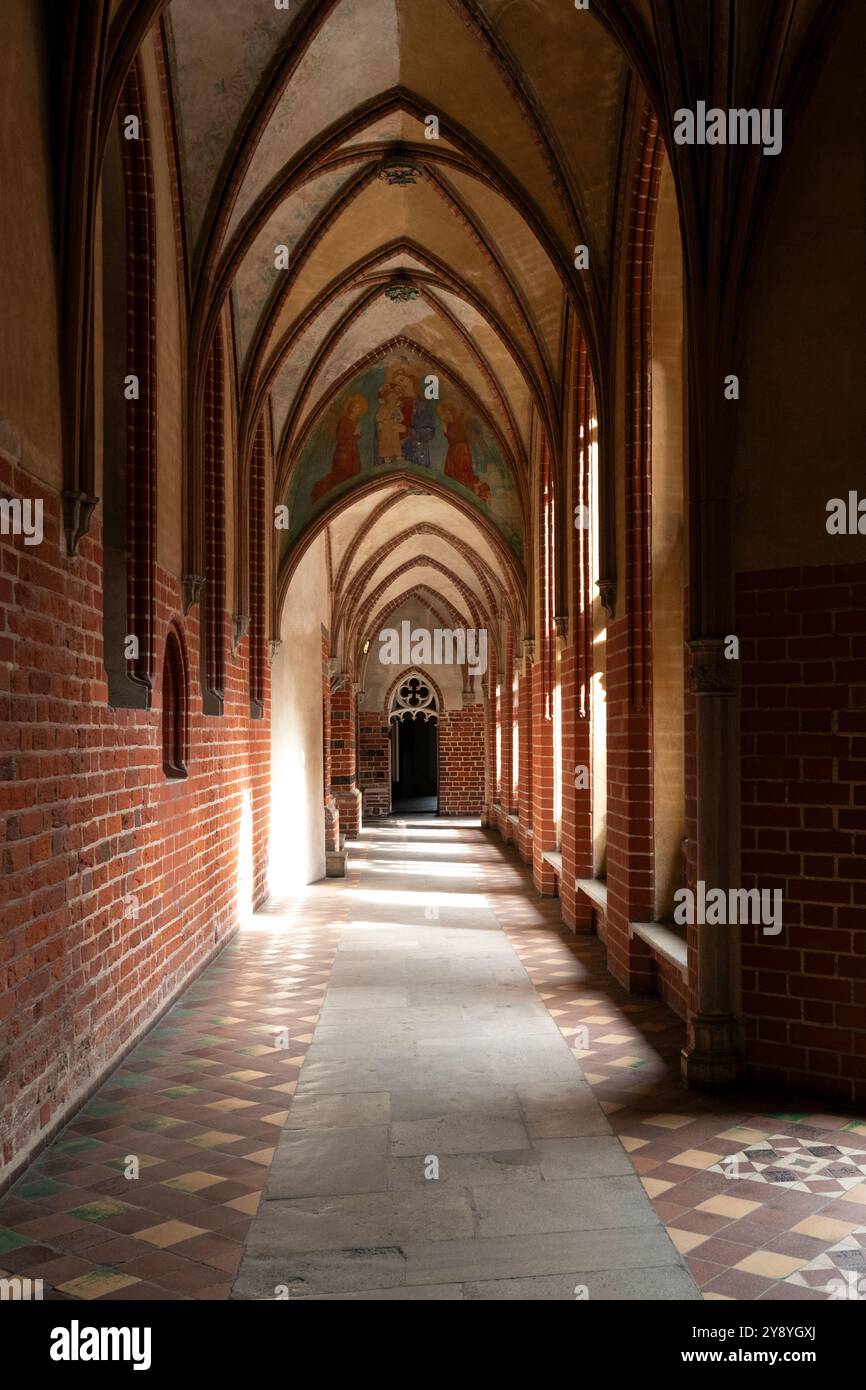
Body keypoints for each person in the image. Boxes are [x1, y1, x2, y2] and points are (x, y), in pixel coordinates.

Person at [311, 394, 368, 503]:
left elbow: (357, 436)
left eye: (359, 408)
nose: (358, 409)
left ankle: (348, 494)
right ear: (351, 408)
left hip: (352, 449)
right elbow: (340, 436)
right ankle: (322, 488)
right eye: (356, 407)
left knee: (354, 470)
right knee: (342, 470)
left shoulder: (356, 421)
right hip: (343, 450)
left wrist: (358, 433)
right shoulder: (344, 420)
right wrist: (355, 433)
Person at [439, 402, 491, 503]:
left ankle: (474, 488)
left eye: (445, 414)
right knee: (453, 473)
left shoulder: (457, 423)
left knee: (462, 472)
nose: (444, 417)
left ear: (450, 412)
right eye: (442, 415)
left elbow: (456, 438)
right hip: (454, 450)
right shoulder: (451, 423)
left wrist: (446, 431)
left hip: (460, 451)